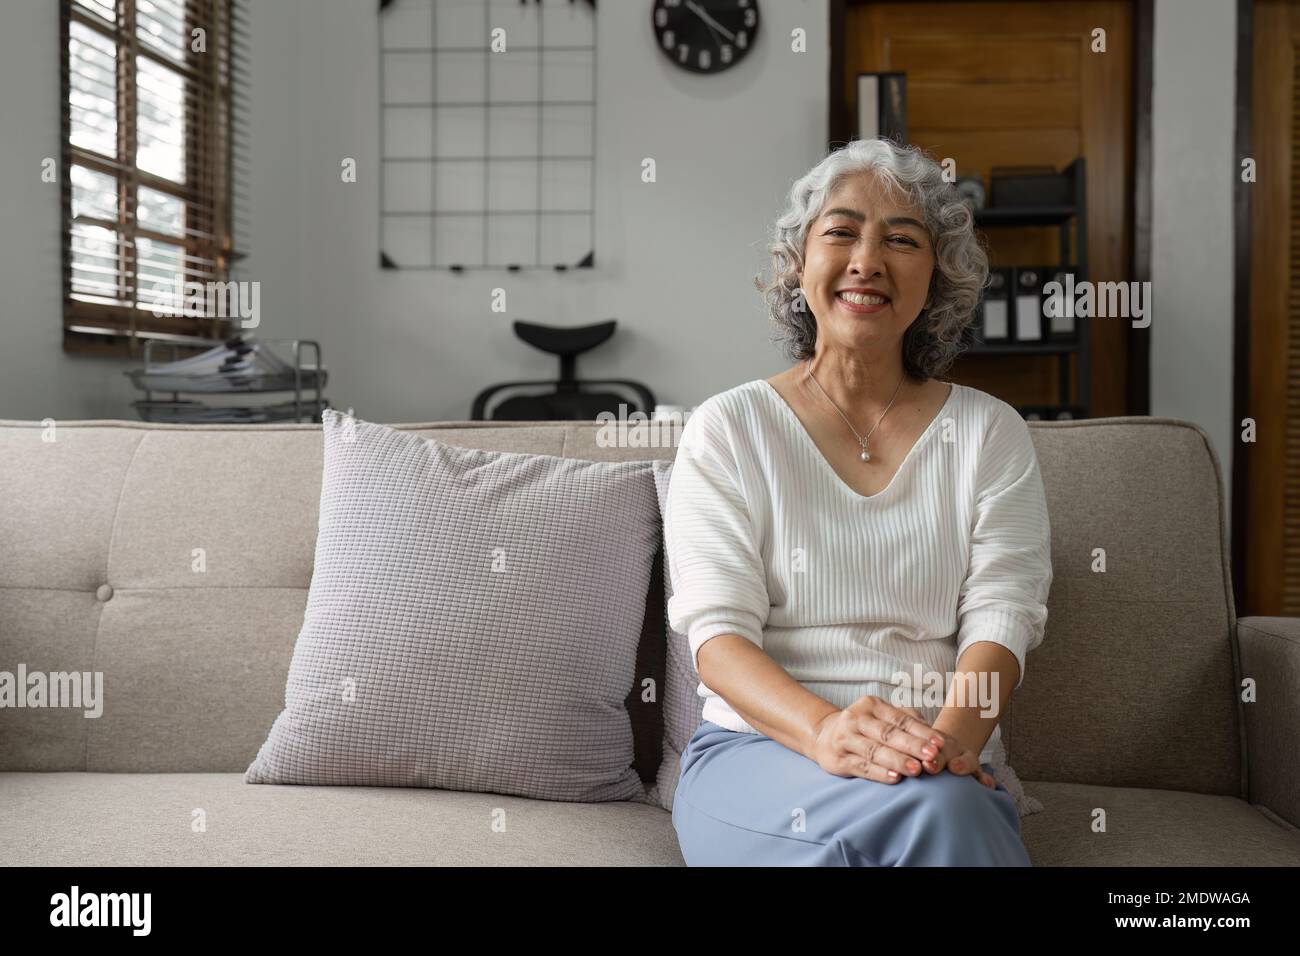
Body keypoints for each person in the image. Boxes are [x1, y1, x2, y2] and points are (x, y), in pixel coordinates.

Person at [665, 138, 1053, 866]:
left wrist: (949, 748)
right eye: (841, 232)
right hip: (762, 748)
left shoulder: (989, 433)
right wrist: (823, 732)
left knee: (942, 812)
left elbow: (1004, 621)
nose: (866, 260)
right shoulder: (731, 428)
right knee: (938, 823)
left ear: (937, 277)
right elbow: (717, 643)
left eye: (901, 239)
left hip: (938, 749)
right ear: (799, 264)